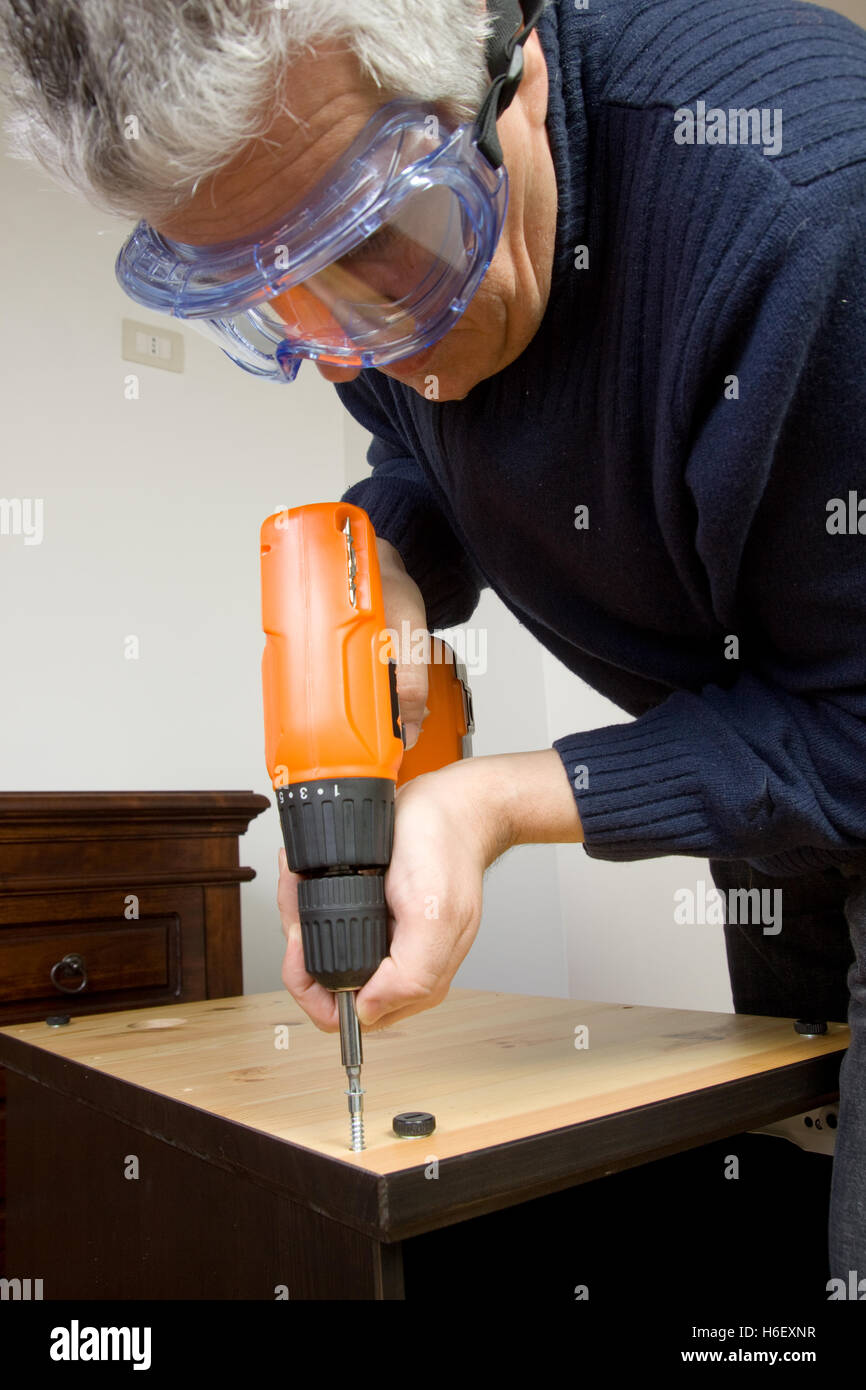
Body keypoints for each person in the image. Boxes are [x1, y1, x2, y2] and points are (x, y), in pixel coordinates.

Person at [2, 0, 865, 1284]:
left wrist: (494, 801)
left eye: (371, 246)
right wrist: (394, 556)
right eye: (267, 298)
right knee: (791, 1151)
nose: (342, 351)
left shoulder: (808, 213)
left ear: (508, 72)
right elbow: (423, 445)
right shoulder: (362, 259)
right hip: (776, 783)